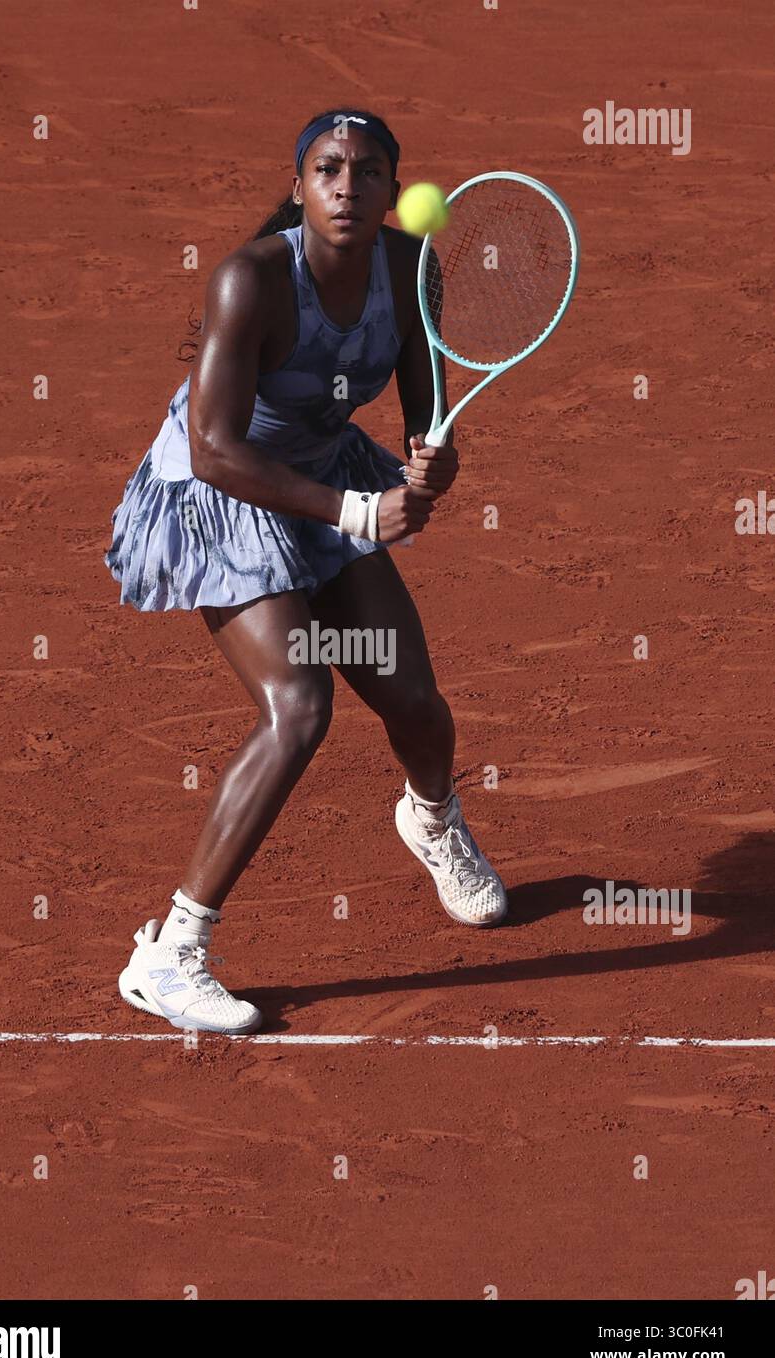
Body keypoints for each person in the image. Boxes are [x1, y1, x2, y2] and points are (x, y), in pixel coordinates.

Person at [104, 108, 507, 1037]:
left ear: (391, 189)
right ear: (299, 186)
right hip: (225, 497)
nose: (347, 186)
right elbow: (213, 448)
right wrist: (361, 511)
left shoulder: (410, 270)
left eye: (369, 172)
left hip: (325, 479)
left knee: (415, 702)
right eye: (327, 168)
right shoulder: (250, 281)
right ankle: (172, 954)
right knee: (300, 705)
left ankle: (433, 820)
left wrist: (433, 460)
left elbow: (425, 404)